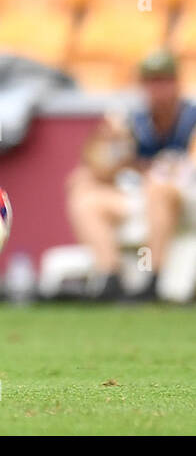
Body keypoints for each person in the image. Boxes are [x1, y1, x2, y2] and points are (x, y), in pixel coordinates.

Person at [66, 49, 196, 300]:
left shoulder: (191, 117)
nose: (158, 90)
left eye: (164, 81)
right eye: (152, 82)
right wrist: (110, 141)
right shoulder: (133, 121)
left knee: (158, 188)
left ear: (177, 83)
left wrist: (150, 170)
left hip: (184, 197)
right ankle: (110, 277)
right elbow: (102, 168)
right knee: (81, 184)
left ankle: (154, 278)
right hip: (145, 196)